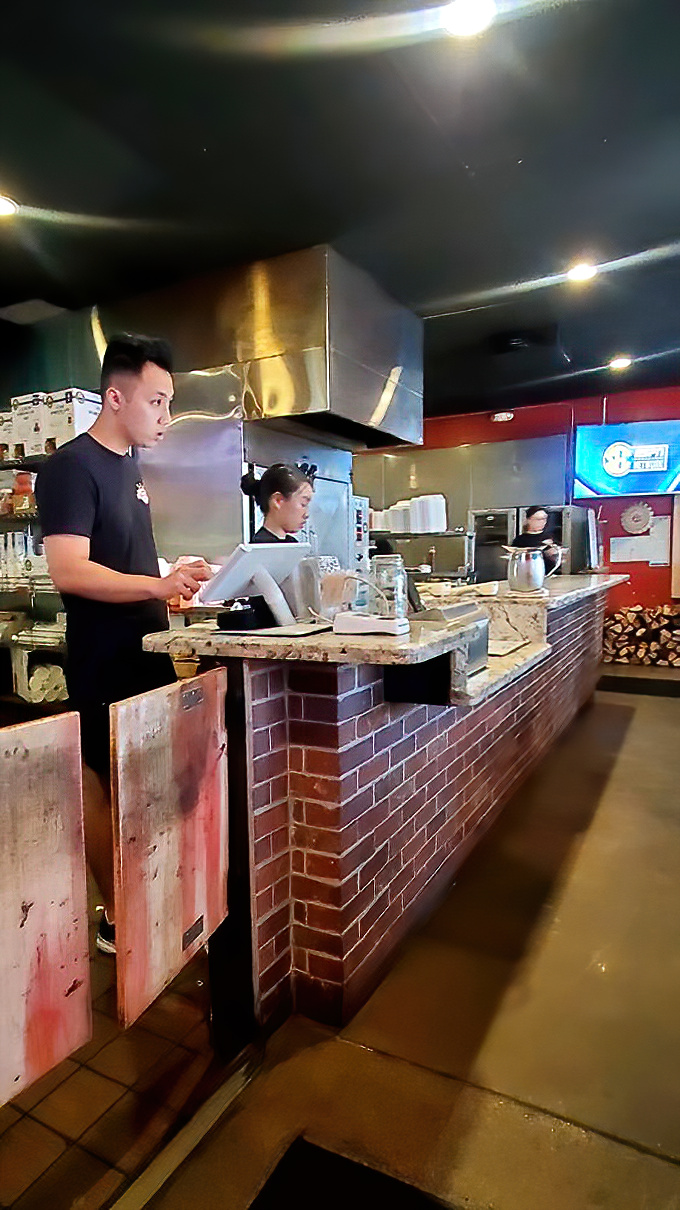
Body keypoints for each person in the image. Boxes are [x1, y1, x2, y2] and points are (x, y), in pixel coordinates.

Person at [35, 333, 212, 955]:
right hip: (102, 658)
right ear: (116, 397)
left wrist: (173, 576)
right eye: (158, 402)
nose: (166, 417)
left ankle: (145, 896)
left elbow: (127, 557)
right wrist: (155, 583)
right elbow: (70, 570)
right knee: (102, 783)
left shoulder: (130, 468)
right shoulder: (68, 468)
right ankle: (114, 914)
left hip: (146, 649)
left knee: (145, 785)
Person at [240, 463, 314, 543]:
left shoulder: (291, 543)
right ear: (278, 501)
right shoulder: (261, 549)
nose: (306, 514)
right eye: (303, 504)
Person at [512, 505, 560, 572]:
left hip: (550, 575)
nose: (542, 522)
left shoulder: (550, 537)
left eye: (544, 519)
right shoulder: (520, 540)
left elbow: (557, 561)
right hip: (527, 574)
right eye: (538, 519)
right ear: (529, 520)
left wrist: (555, 553)